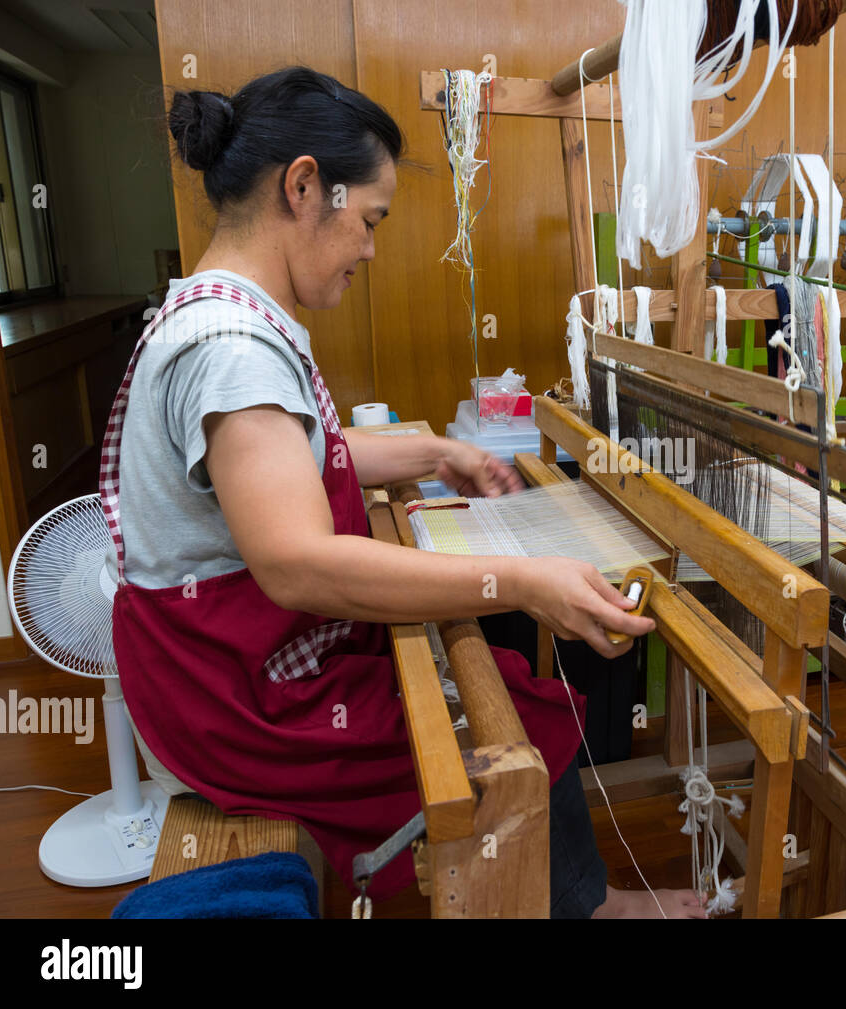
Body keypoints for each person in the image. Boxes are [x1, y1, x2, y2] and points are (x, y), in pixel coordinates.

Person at [106, 66, 704, 919]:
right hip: (238, 699)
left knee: (491, 677)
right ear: (305, 185)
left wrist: (430, 449)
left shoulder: (212, 313)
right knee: (517, 719)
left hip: (217, 669)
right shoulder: (230, 347)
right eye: (370, 220)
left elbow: (280, 466)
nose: (371, 249)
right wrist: (526, 581)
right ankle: (593, 911)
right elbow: (296, 563)